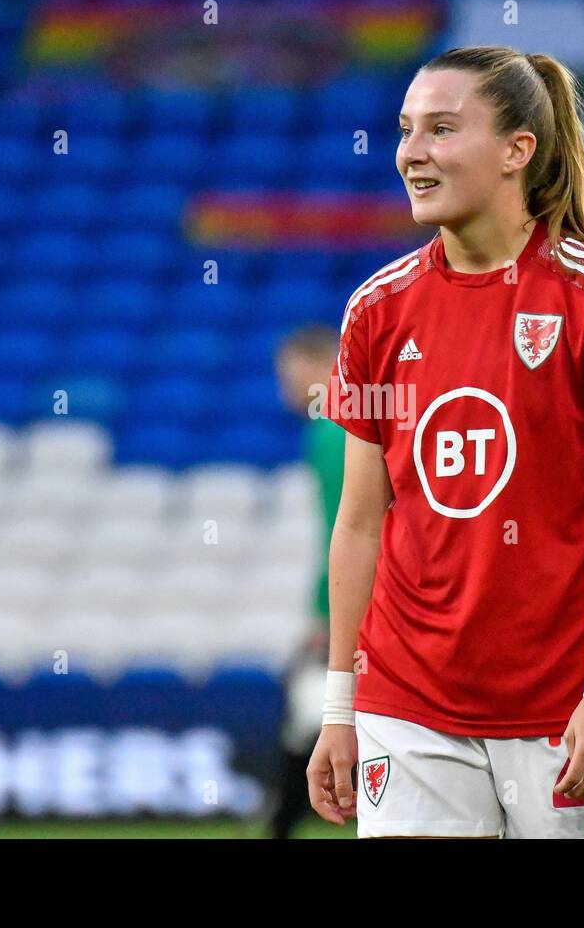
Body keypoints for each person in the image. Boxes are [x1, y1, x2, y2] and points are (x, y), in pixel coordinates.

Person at [306, 46, 584, 838]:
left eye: (443, 129)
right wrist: (339, 706)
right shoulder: (375, 311)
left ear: (519, 151)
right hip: (407, 707)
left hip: (567, 708)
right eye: (406, 130)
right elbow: (360, 524)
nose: (413, 152)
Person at [268, 326, 347, 838]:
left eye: (291, 376)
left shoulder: (334, 433)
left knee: (306, 714)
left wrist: (329, 615)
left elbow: (349, 533)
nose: (285, 391)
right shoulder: (354, 424)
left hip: (358, 610)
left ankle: (281, 825)